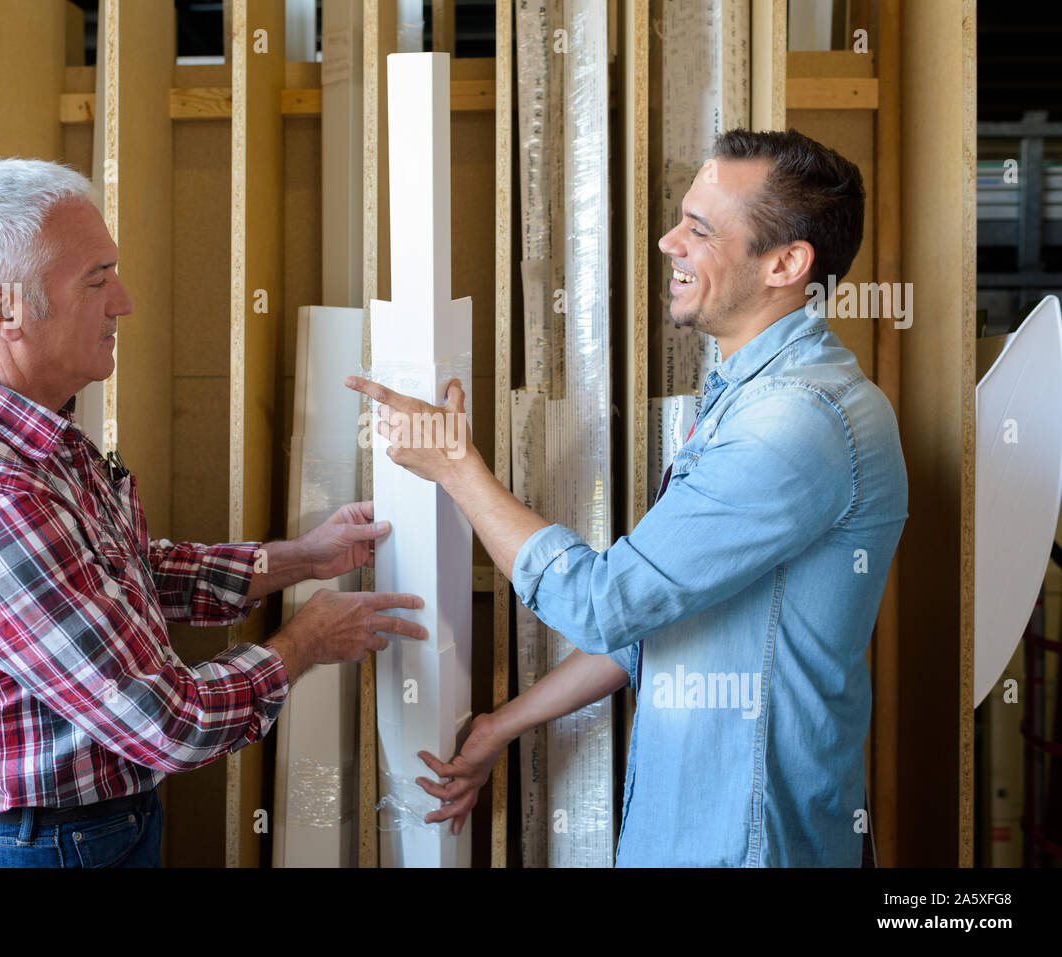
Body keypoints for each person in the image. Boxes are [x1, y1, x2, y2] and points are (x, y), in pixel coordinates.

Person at [348, 128, 909, 867]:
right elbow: (655, 613)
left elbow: (604, 602)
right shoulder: (753, 395)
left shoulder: (795, 423)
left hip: (746, 847)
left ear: (786, 263)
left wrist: (458, 469)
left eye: (700, 230)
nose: (669, 242)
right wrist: (501, 726)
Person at [0, 157, 426, 868]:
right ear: (3, 310)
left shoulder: (26, 430)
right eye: (97, 280)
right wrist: (303, 644)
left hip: (90, 830)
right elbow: (170, 724)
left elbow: (119, 577)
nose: (125, 302)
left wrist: (299, 559)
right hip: (46, 849)